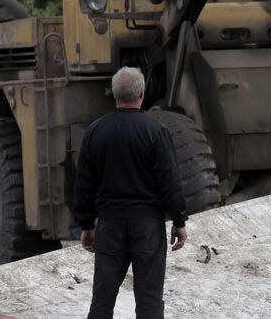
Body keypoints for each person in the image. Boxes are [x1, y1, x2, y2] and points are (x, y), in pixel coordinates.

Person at [74, 67, 188, 319]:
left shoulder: (95, 131)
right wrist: (178, 221)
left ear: (114, 95)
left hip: (110, 225)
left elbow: (84, 182)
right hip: (147, 226)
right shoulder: (155, 131)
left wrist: (85, 224)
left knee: (102, 299)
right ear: (142, 93)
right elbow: (169, 180)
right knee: (149, 301)